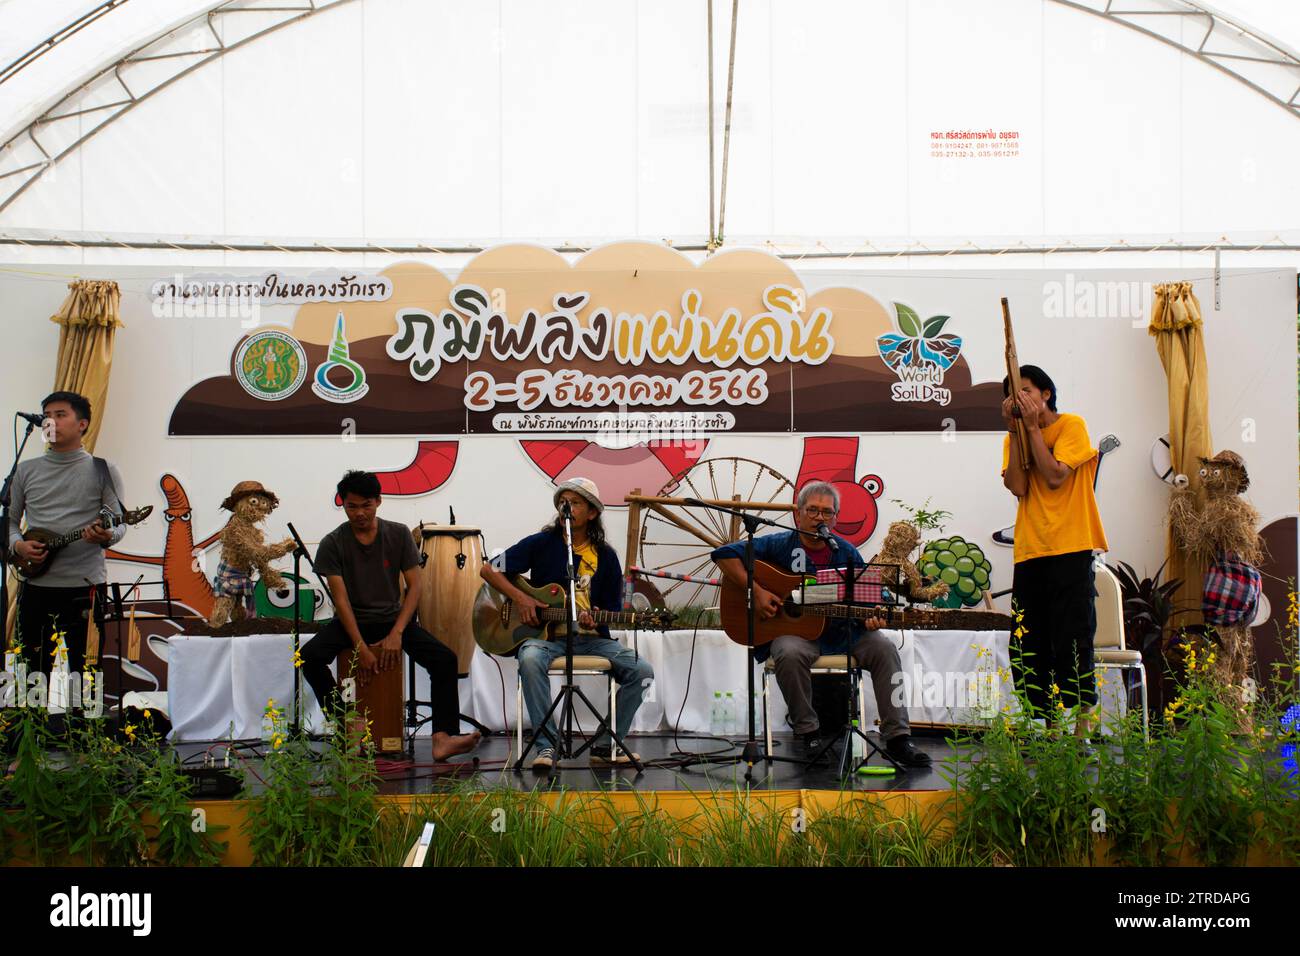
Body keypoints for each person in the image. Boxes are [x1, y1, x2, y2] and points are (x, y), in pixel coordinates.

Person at [710, 480, 933, 767]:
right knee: (787, 652)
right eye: (813, 510)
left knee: (884, 649)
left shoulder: (846, 552)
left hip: (844, 632)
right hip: (798, 636)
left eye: (827, 512)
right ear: (799, 514)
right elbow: (723, 555)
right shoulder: (778, 544)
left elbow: (865, 601)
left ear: (836, 518)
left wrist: (873, 618)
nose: (819, 517)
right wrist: (758, 591)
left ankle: (898, 738)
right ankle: (809, 734)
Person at [299, 470, 479, 760]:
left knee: (445, 660)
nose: (359, 513)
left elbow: (415, 585)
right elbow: (341, 600)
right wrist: (359, 645)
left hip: (392, 619)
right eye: (351, 506)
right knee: (309, 657)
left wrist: (397, 632)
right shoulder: (333, 542)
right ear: (343, 504)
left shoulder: (396, 533)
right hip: (351, 622)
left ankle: (443, 737)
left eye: (365, 505)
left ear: (379, 501)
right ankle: (346, 721)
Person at [479, 477, 654, 770]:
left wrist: (595, 615)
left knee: (643, 670)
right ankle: (546, 748)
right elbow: (488, 569)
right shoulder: (541, 543)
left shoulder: (606, 556)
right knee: (530, 657)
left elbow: (610, 608)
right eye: (563, 503)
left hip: (592, 638)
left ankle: (606, 746)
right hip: (547, 640)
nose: (566, 508)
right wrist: (521, 599)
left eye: (574, 503)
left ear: (592, 513)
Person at [1001, 364, 1109, 735]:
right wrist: (1015, 433)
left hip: (1072, 546)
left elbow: (1054, 475)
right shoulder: (1013, 436)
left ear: (1046, 393)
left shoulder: (1071, 425)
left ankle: (1082, 730)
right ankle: (1047, 727)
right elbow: (1018, 485)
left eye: (1027, 390)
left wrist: (1031, 428)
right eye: (1013, 393)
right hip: (1030, 551)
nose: (1020, 398)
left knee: (1073, 637)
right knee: (1029, 641)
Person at [6, 392, 122, 719]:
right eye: (46, 415)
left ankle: (86, 749)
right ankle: (24, 745)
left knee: (85, 669)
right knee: (29, 666)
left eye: (60, 414)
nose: (50, 421)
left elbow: (118, 523)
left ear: (82, 424)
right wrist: (19, 546)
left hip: (85, 587)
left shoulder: (103, 469)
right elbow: (11, 524)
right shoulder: (26, 471)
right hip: (36, 586)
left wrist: (106, 535)